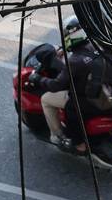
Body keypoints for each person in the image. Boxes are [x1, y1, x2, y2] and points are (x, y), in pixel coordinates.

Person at [33, 17, 99, 154]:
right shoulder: (96, 47)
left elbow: (56, 85)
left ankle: (58, 136)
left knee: (46, 99)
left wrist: (39, 79)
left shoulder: (74, 61)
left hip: (85, 98)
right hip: (104, 90)